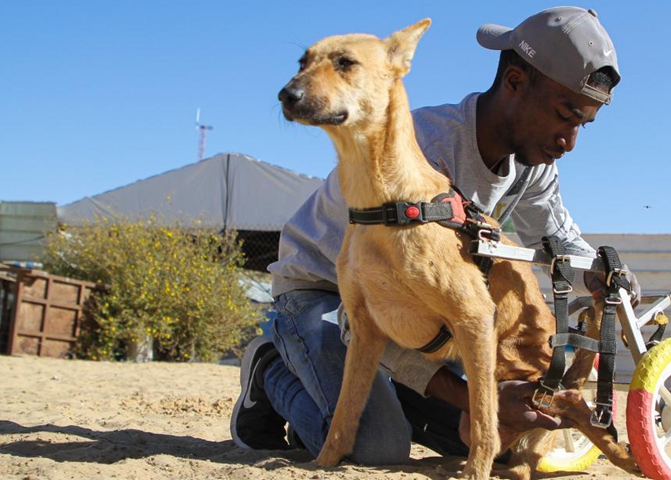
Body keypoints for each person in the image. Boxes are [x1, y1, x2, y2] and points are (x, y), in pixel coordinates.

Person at [231, 6, 640, 465]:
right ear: (515, 83)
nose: (569, 140)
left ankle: (389, 395)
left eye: (581, 124)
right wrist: (469, 399)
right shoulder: (416, 149)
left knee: (504, 438)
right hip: (328, 295)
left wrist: (601, 274)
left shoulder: (534, 163)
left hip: (414, 310)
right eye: (564, 115)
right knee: (376, 447)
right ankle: (271, 368)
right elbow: (366, 313)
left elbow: (559, 235)